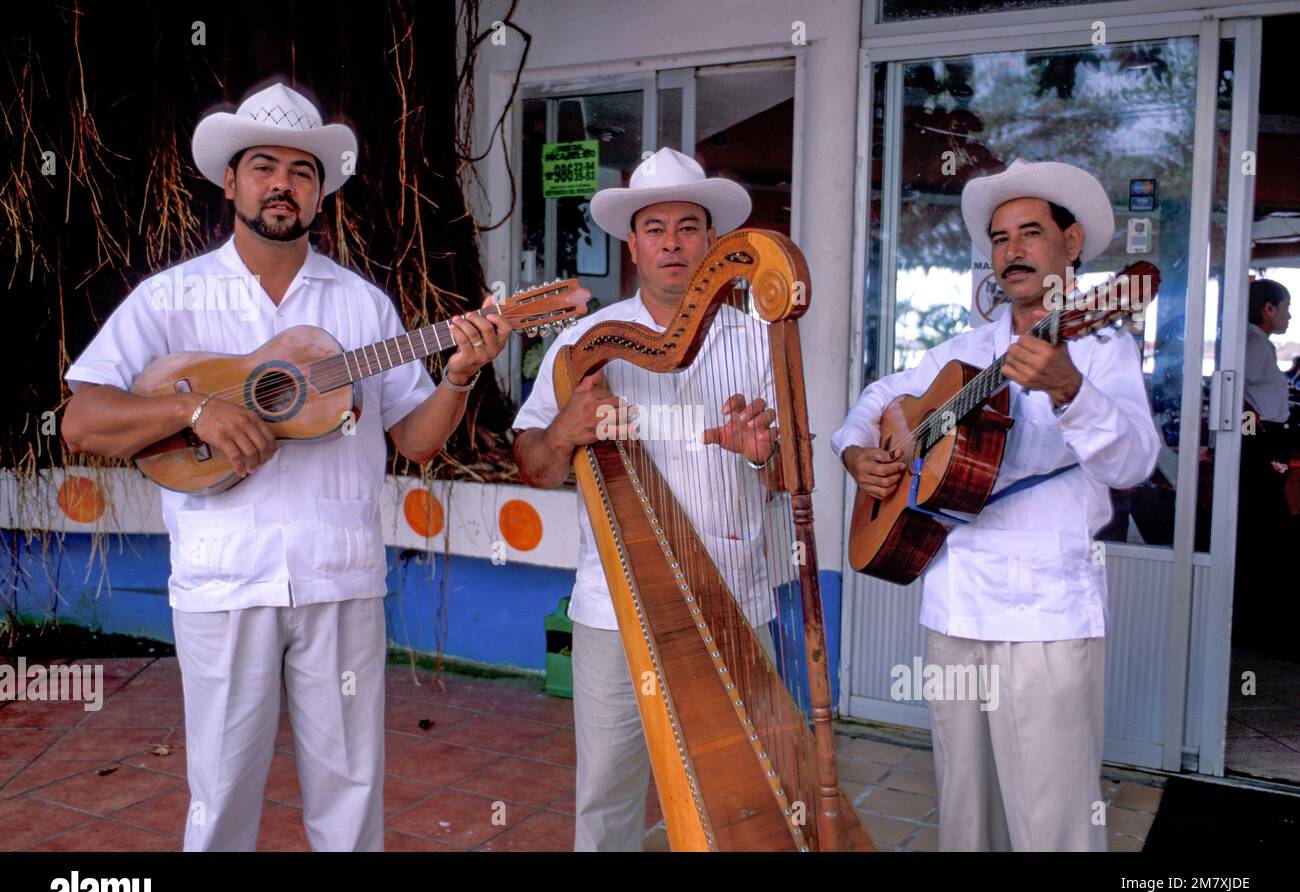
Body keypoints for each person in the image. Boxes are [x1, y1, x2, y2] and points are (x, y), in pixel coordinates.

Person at [60, 81, 510, 851]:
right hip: (223, 579)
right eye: (263, 166)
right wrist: (192, 410)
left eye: (302, 171)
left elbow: (416, 440)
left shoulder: (362, 306)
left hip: (339, 578)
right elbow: (81, 420)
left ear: (321, 191)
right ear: (230, 182)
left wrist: (461, 374)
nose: (282, 184)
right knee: (224, 792)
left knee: (350, 793)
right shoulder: (172, 298)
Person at [833, 159, 1160, 851]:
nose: (1011, 249)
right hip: (954, 604)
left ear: (1071, 247)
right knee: (964, 813)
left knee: (1055, 822)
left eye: (1030, 231)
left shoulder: (1101, 347)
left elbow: (1134, 460)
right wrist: (857, 452)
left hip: (1046, 611)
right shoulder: (965, 351)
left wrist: (1072, 391)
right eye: (1000, 236)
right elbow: (875, 400)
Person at [512, 148, 777, 851]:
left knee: (740, 795)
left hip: (736, 598)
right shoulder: (580, 346)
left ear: (712, 243)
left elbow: (790, 478)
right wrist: (567, 428)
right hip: (611, 611)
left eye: (688, 227)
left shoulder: (758, 343)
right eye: (654, 228)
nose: (671, 243)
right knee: (606, 798)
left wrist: (766, 455)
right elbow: (536, 467)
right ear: (631, 244)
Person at [1234, 279, 1293, 650]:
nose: (1290, 315)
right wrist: (1259, 439)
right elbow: (1234, 387)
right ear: (1268, 309)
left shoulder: (1257, 345)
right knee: (1265, 530)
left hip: (1259, 440)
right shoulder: (1255, 345)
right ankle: (1257, 625)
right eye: (1286, 307)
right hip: (1260, 444)